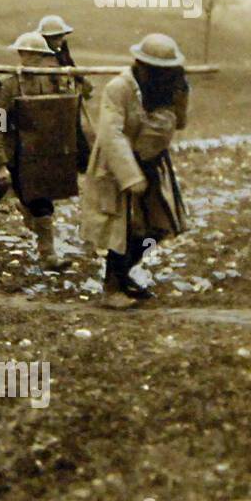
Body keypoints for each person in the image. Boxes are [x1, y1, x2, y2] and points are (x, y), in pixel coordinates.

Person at [80, 33, 190, 309]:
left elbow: (180, 124)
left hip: (153, 163)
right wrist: (130, 176)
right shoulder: (120, 88)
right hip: (118, 165)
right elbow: (111, 132)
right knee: (122, 229)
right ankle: (112, 286)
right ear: (142, 66)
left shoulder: (166, 90)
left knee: (161, 225)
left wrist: (182, 95)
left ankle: (125, 273)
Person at [0, 31, 80, 270]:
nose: (30, 58)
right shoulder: (10, 85)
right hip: (10, 155)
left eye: (37, 55)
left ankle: (48, 256)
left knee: (42, 204)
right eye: (26, 54)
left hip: (35, 157)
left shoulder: (50, 81)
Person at [37, 14, 93, 169]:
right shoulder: (39, 62)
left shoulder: (63, 56)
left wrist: (81, 83)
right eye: (54, 37)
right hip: (47, 112)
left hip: (66, 108)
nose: (59, 41)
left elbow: (75, 77)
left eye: (60, 37)